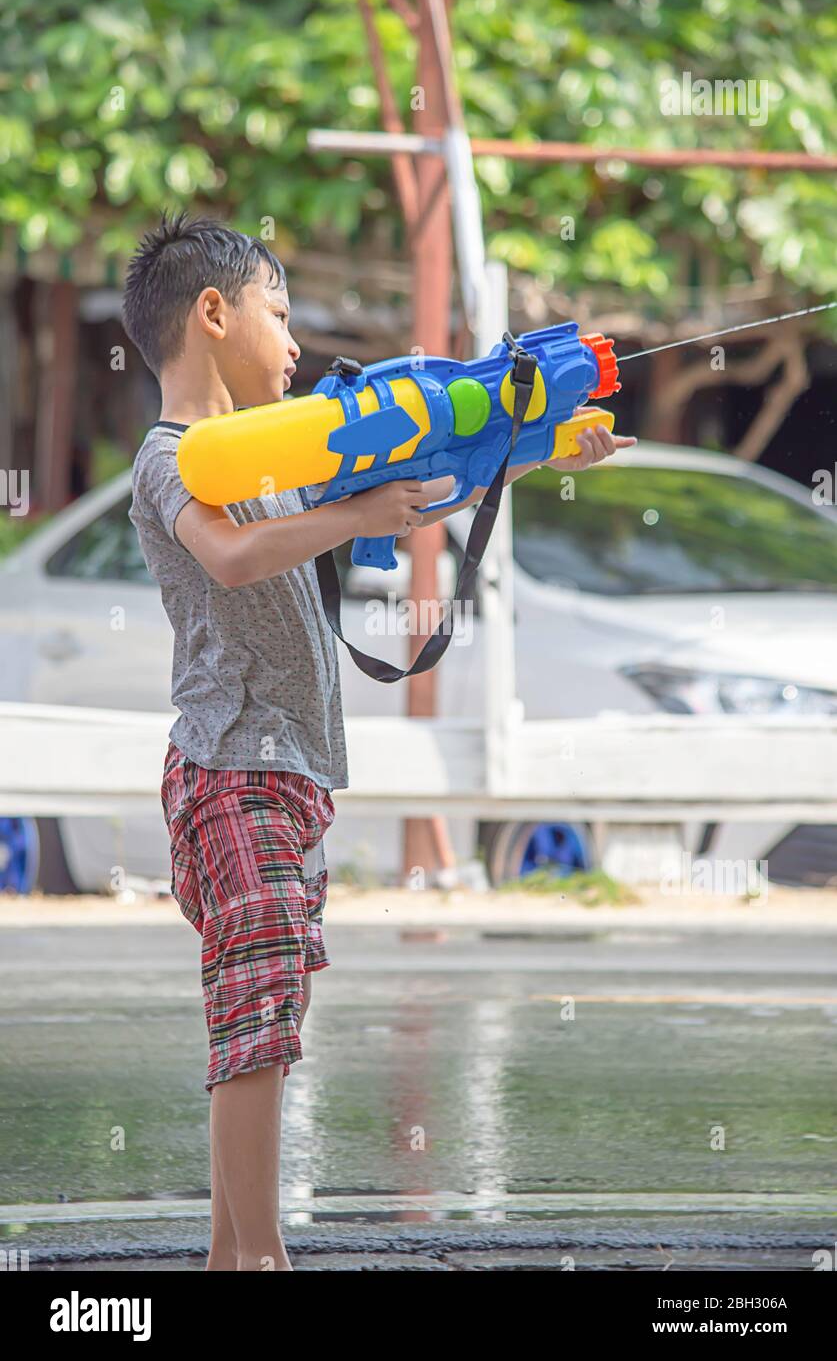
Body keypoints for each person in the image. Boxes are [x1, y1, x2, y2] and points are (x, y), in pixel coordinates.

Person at [124, 211, 635, 1272]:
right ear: (212, 314)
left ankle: (233, 1257)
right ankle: (260, 1257)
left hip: (292, 773)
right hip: (230, 764)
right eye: (279, 310)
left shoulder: (278, 452)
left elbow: (435, 475)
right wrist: (354, 519)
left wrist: (546, 444)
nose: (297, 342)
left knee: (266, 1007)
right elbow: (229, 557)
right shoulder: (173, 459)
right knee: (257, 1001)